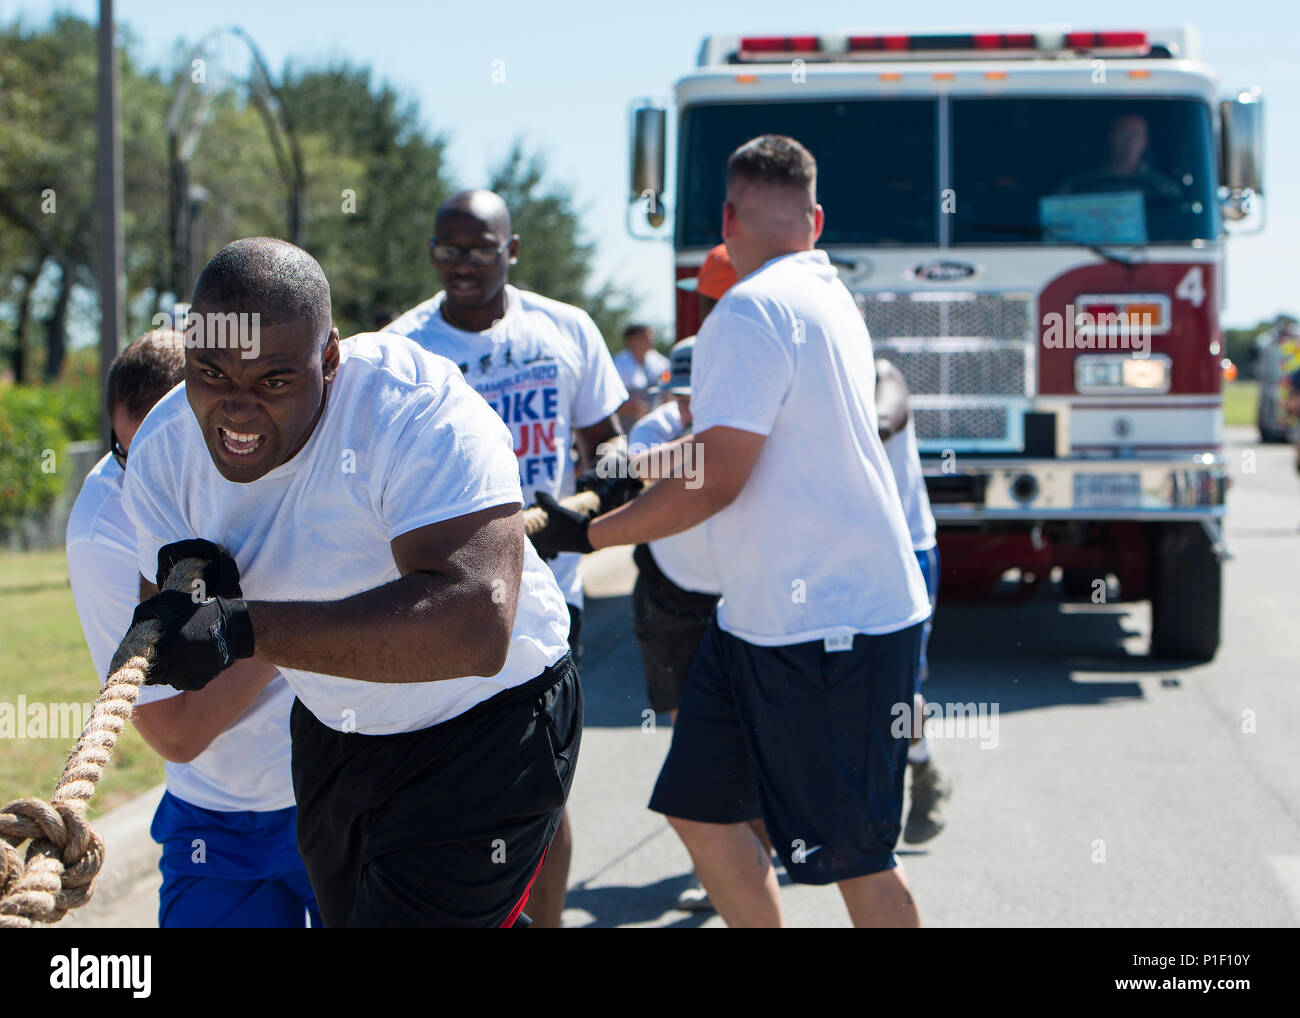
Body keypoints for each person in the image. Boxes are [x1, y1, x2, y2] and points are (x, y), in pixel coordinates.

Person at [529, 135, 931, 927]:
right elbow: (737, 440)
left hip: (834, 622)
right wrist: (631, 472)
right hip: (757, 621)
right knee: (701, 809)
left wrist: (590, 535)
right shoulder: (827, 293)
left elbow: (718, 477)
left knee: (856, 856)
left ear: (726, 220)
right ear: (815, 219)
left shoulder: (747, 311)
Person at [121, 237, 579, 928]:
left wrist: (242, 627)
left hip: (490, 721)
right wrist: (181, 613)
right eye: (211, 372)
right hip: (337, 727)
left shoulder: (411, 407)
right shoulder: (164, 451)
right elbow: (169, 642)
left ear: (329, 360)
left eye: (273, 381)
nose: (237, 409)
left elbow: (475, 626)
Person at [384, 188, 628, 928]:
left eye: (479, 249)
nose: (461, 264)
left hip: (548, 600)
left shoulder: (566, 330)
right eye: (447, 249)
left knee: (538, 790)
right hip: (444, 600)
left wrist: (584, 504)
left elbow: (609, 448)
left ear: (511, 251)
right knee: (454, 784)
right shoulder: (403, 348)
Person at [66, 328, 319, 928]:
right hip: (219, 814)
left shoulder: (297, 451)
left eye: (164, 448)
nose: (142, 476)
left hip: (350, 781)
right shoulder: (104, 527)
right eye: (127, 453)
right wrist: (294, 609)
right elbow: (176, 732)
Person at [875, 358, 952, 844]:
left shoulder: (881, 374)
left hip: (904, 552)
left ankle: (923, 772)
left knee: (899, 689)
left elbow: (886, 416)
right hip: (835, 556)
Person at [614, 324, 670, 430]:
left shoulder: (661, 362)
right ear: (631, 340)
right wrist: (629, 408)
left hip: (655, 420)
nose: (650, 339)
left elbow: (667, 385)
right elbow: (613, 400)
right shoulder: (618, 364)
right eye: (644, 337)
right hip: (627, 424)